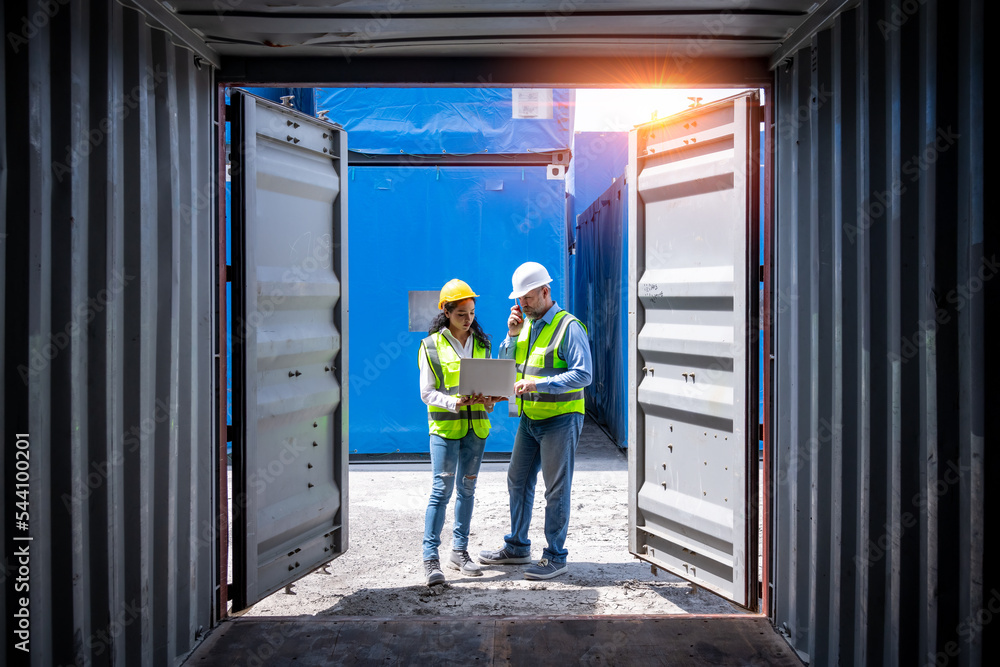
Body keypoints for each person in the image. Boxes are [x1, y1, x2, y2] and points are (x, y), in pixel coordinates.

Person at [479, 262, 592, 580]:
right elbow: (508, 368)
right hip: (531, 418)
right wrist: (511, 336)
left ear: (545, 292)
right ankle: (517, 547)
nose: (522, 304)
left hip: (561, 419)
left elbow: (583, 374)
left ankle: (555, 556)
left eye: (528, 298)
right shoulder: (526, 325)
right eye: (519, 299)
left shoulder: (569, 327)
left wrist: (538, 385)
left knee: (555, 489)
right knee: (517, 480)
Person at [418, 278, 499, 586]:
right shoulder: (430, 346)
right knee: (441, 491)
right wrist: (454, 402)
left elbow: (488, 387)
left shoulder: (483, 344)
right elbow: (426, 392)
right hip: (445, 429)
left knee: (467, 490)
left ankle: (459, 552)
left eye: (472, 313)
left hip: (476, 427)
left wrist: (491, 398)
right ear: (447, 312)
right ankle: (431, 559)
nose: (468, 319)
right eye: (462, 314)